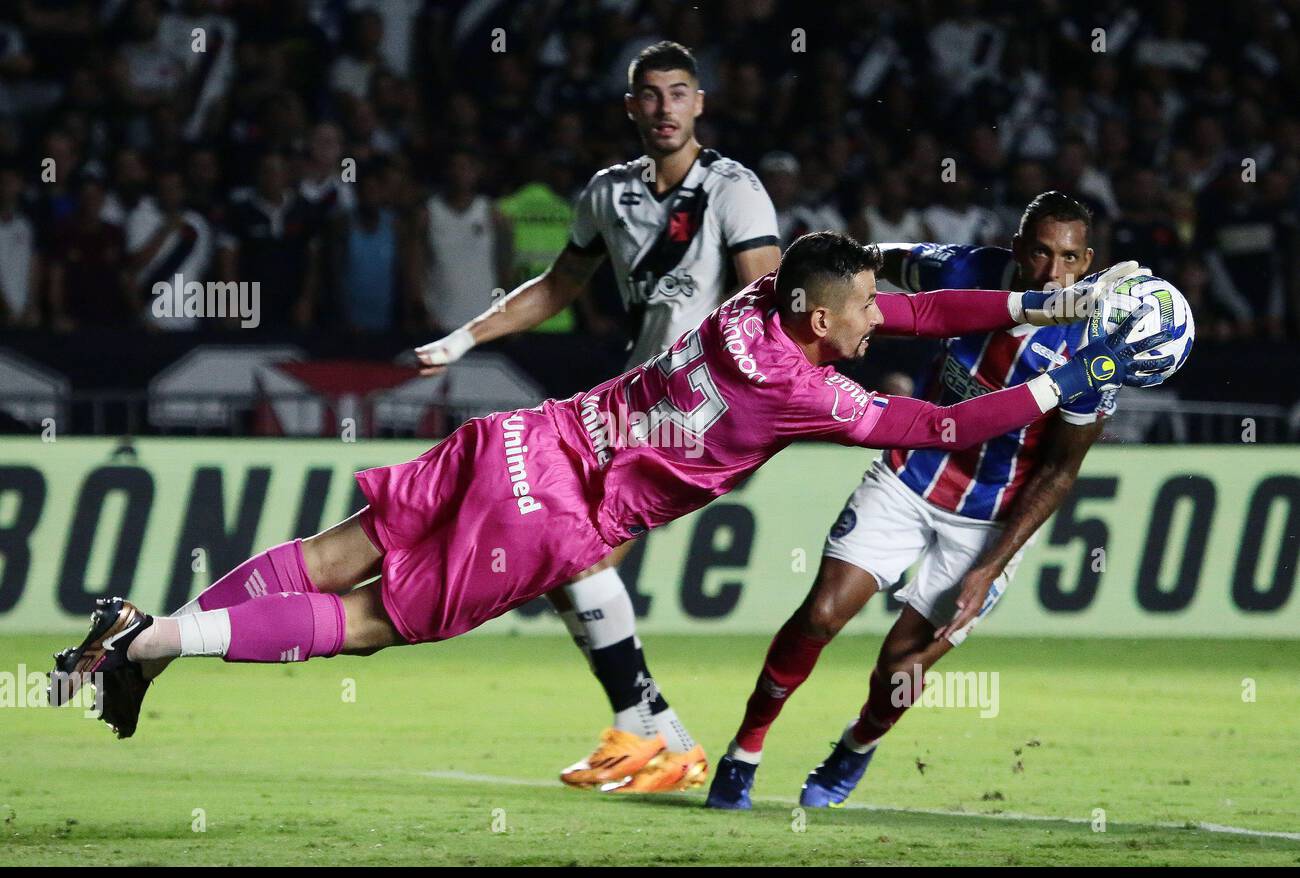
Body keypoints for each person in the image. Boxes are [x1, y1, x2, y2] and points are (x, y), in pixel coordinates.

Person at [49, 234, 1169, 756]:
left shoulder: (769, 300)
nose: (882, 319)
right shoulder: (805, 391)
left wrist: (1048, 309)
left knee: (336, 549)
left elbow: (922, 314)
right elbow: (940, 421)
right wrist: (1075, 373)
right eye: (864, 310)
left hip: (525, 432)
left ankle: (144, 643)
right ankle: (153, 638)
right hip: (556, 511)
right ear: (825, 323)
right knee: (373, 620)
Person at [414, 41, 782, 793]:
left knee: (572, 551)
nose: (664, 108)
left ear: (700, 103)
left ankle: (644, 733)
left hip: (699, 413)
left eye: (679, 93)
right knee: (562, 562)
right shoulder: (608, 193)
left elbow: (767, 307)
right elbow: (556, 287)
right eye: (650, 94)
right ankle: (657, 733)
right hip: (634, 403)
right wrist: (464, 336)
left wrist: (763, 411)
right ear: (631, 107)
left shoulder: (735, 192)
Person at [705, 192, 1129, 810]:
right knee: (822, 613)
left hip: (990, 519)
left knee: (901, 669)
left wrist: (989, 566)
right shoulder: (967, 272)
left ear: (1088, 262)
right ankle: (745, 750)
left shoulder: (1096, 351)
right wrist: (823, 281)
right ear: (1016, 250)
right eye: (1039, 253)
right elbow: (880, 260)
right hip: (912, 473)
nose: (1053, 273)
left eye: (1069, 259)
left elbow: (1060, 472)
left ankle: (855, 745)